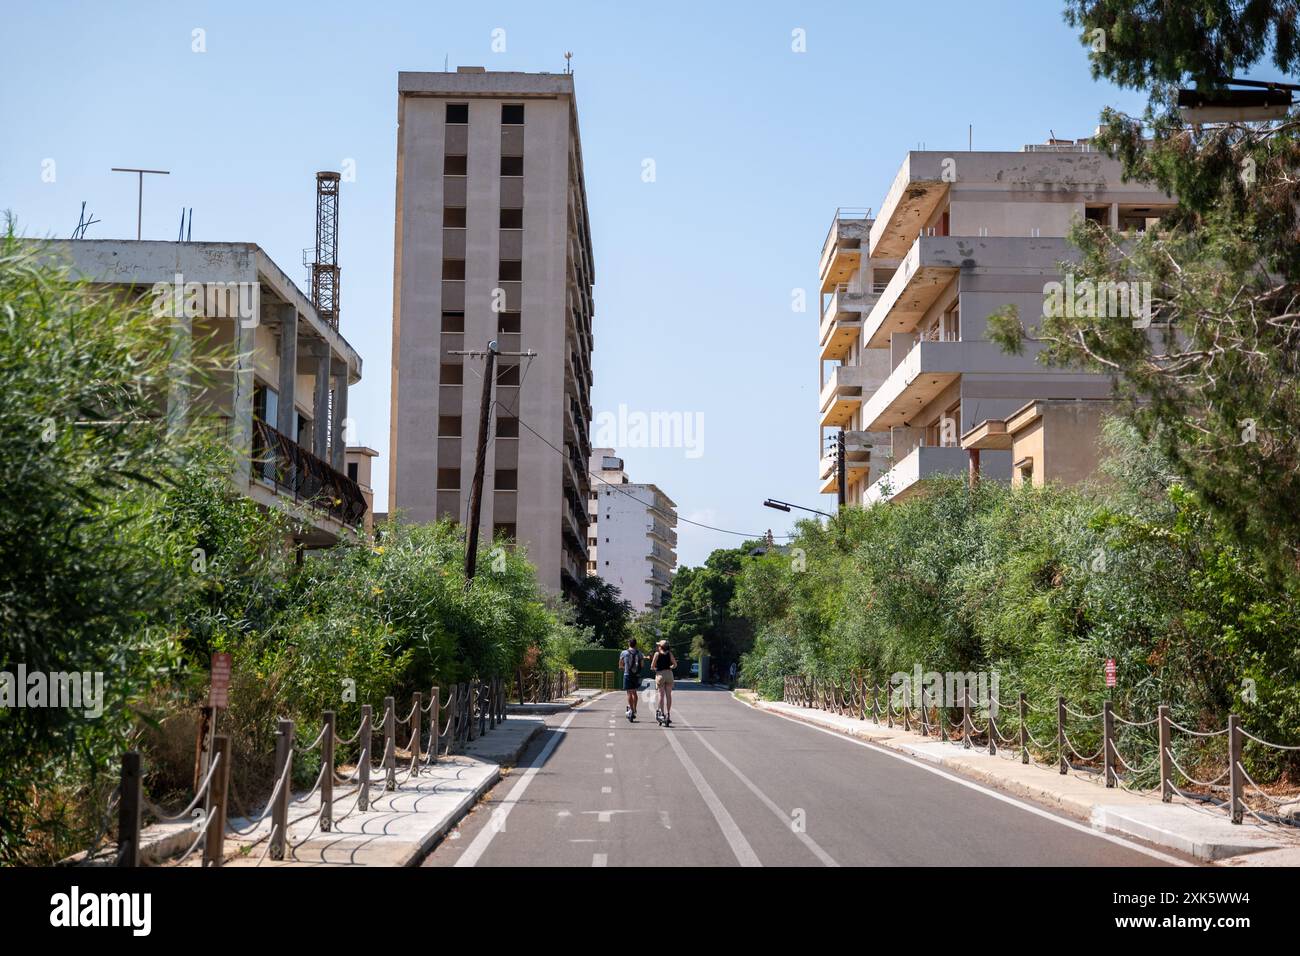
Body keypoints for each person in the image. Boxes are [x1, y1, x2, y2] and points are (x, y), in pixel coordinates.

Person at [650, 640, 677, 726]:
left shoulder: (657, 654)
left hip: (660, 674)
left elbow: (652, 666)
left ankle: (662, 713)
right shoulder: (669, 654)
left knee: (661, 695)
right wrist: (670, 667)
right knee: (668, 695)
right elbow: (675, 664)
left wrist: (656, 669)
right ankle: (668, 714)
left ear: (660, 647)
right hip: (669, 674)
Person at [618, 637, 643, 722]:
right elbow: (642, 665)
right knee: (634, 692)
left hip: (627, 674)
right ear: (635, 644)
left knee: (629, 693)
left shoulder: (624, 653)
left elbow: (620, 664)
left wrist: (624, 667)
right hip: (636, 675)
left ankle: (631, 709)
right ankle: (634, 709)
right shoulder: (639, 653)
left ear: (629, 644)